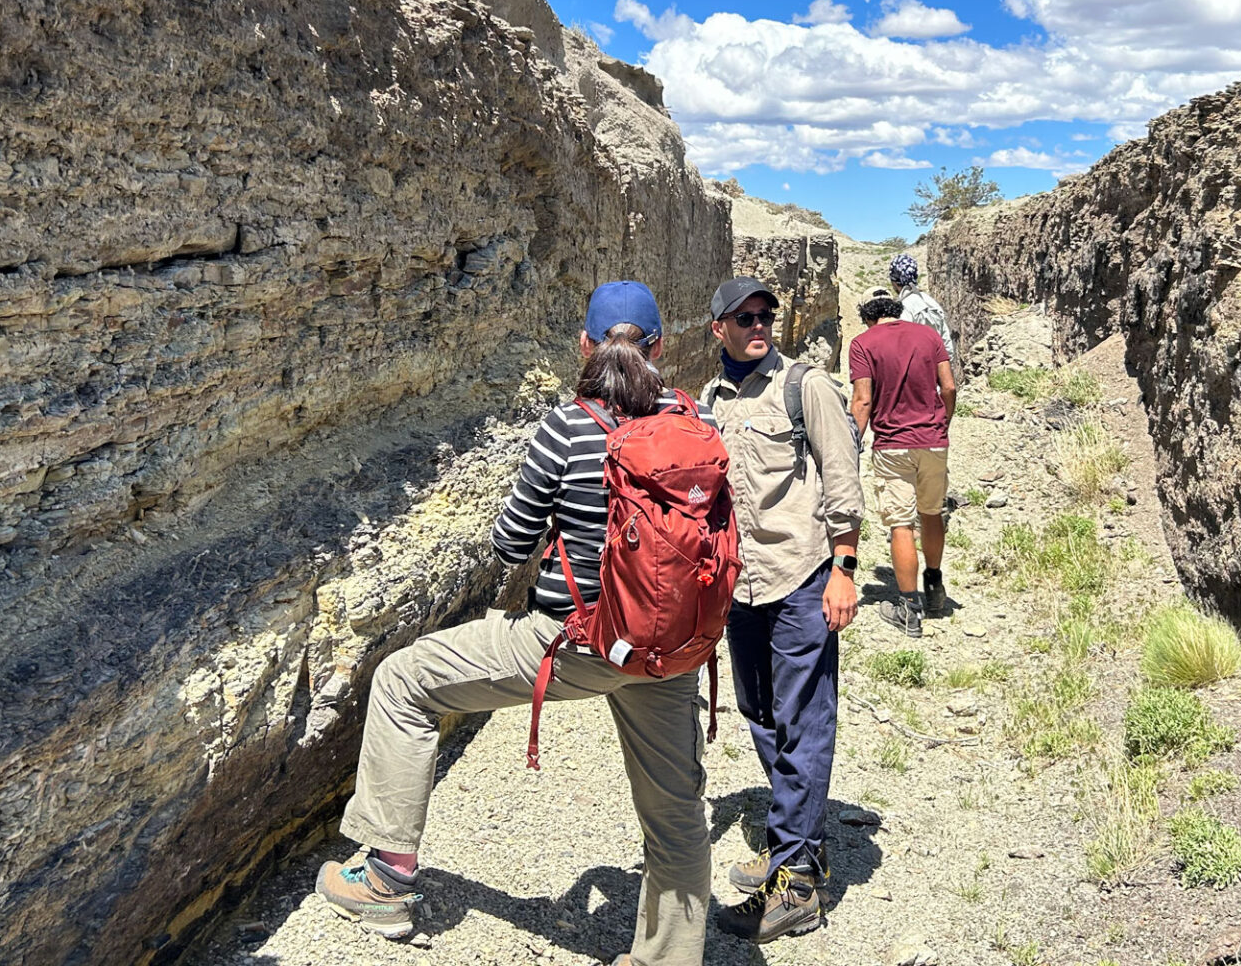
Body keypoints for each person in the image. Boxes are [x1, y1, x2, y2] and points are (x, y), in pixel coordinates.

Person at [317, 281, 712, 966]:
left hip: (578, 641)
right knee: (676, 812)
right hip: (672, 644)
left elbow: (512, 540)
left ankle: (386, 880)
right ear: (661, 347)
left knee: (405, 681)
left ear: (584, 346)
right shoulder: (695, 418)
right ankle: (671, 957)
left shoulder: (568, 425)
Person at [699, 276, 863, 944]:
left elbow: (843, 477)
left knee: (804, 719)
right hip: (742, 587)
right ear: (720, 329)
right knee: (761, 714)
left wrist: (844, 569)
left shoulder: (806, 385)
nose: (760, 324)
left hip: (801, 576)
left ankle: (794, 883)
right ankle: (801, 841)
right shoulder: (713, 400)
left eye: (767, 314)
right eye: (745, 317)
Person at [849, 287, 956, 638]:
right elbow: (949, 387)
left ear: (868, 315)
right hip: (933, 440)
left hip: (893, 445)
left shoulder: (864, 343)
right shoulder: (928, 336)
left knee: (900, 524)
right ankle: (935, 587)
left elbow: (863, 400)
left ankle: (909, 609)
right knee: (931, 512)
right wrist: (943, 424)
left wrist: (853, 444)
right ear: (897, 309)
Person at [888, 253, 955, 367]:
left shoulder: (904, 308)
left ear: (894, 281)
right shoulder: (931, 302)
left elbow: (900, 350)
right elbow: (947, 345)